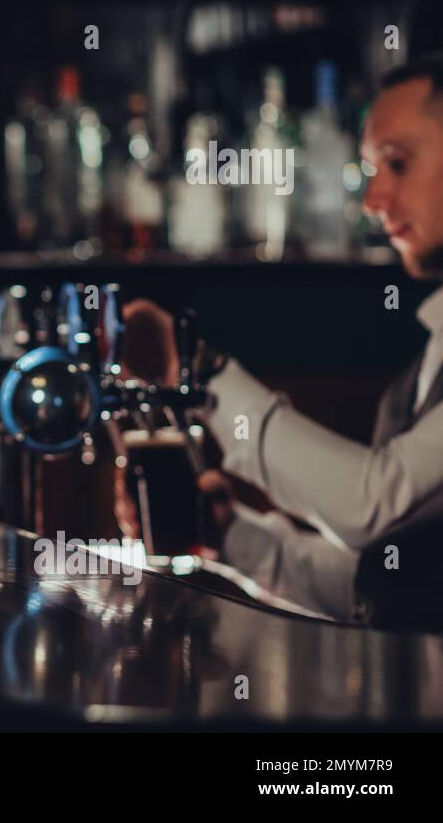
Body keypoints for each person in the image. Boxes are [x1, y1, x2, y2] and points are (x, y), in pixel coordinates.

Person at [119, 54, 443, 629]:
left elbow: (372, 504)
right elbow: (373, 586)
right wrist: (233, 534)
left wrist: (199, 372)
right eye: (370, 170)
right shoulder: (424, 365)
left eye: (397, 163)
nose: (372, 201)